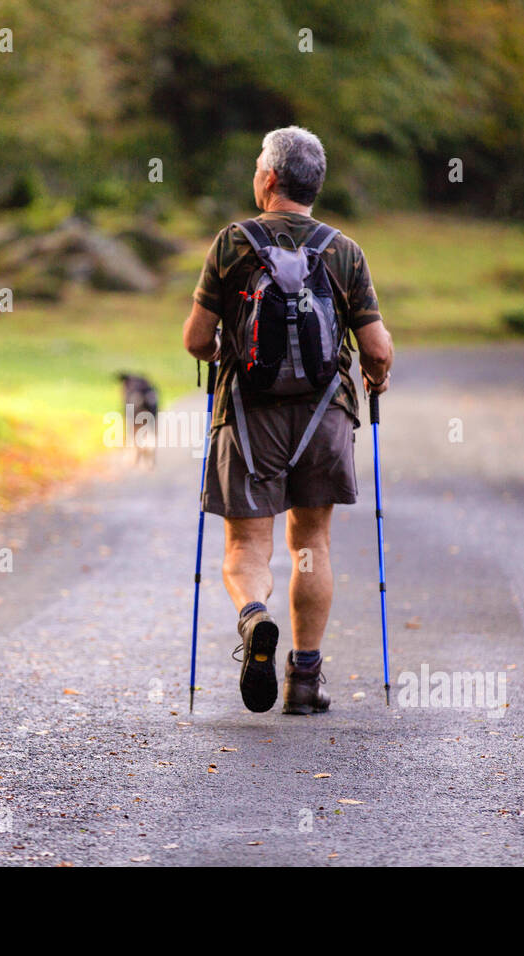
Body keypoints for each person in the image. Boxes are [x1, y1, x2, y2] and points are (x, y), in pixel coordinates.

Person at [182, 126, 393, 715]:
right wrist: (376, 381)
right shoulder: (343, 250)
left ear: (270, 179)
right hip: (324, 421)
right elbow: (376, 349)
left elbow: (197, 339)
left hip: (247, 418)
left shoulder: (232, 244)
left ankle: (254, 619)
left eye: (257, 167)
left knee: (248, 544)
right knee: (312, 542)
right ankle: (305, 679)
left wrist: (221, 350)